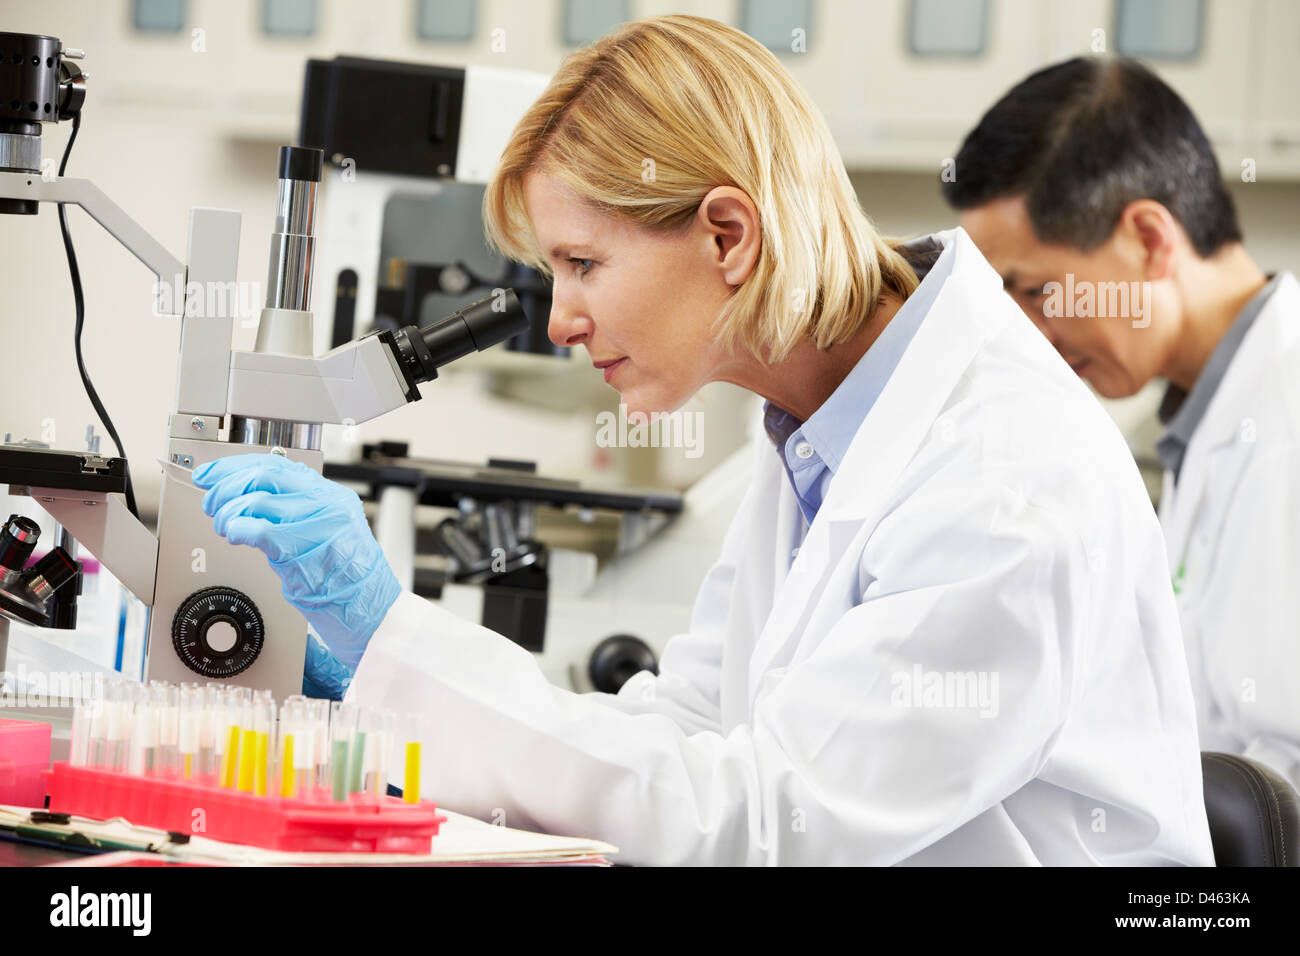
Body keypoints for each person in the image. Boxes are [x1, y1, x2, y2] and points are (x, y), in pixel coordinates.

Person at [192, 16, 1212, 865]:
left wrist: (392, 633)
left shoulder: (1003, 474)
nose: (560, 320)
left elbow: (764, 820)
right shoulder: (820, 424)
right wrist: (397, 679)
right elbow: (690, 725)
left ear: (728, 234)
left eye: (584, 263)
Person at [944, 56, 1300, 790]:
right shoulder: (1203, 416)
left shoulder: (1286, 420)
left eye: (1038, 291)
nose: (1027, 334)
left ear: (1149, 237)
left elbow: (1276, 778)